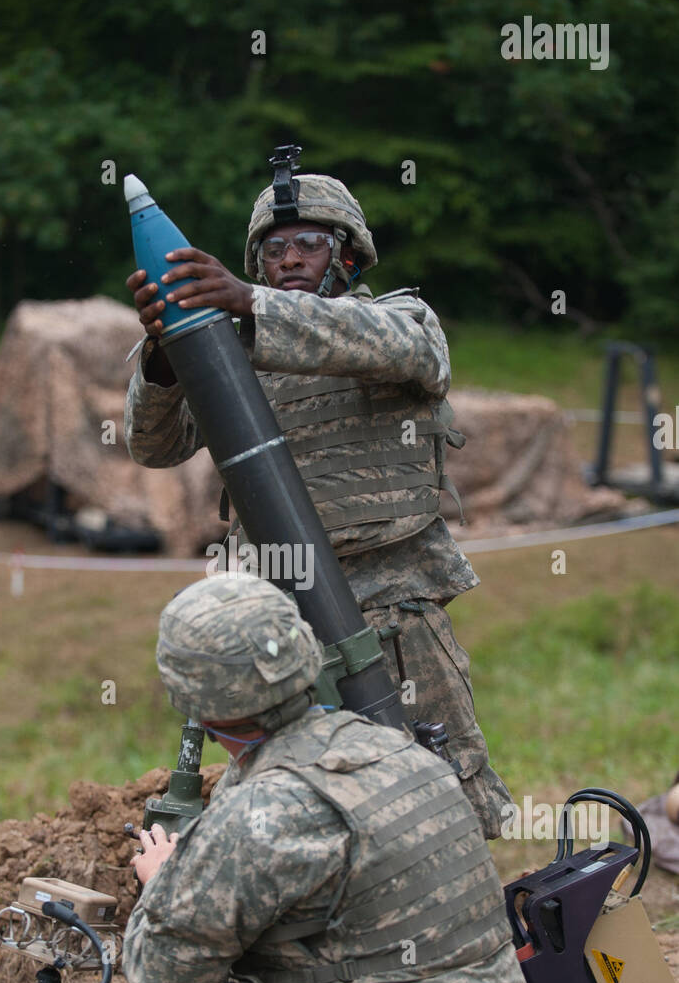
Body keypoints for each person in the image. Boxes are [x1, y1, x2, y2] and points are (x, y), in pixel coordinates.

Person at [83, 575, 535, 983]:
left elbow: (161, 971)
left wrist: (163, 881)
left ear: (192, 695)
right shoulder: (397, 750)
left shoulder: (266, 809)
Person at [123, 162, 511, 839]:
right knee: (294, 787)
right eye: (274, 250)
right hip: (278, 613)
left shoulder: (395, 318)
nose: (289, 258)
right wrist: (162, 357)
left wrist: (249, 304)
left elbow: (401, 349)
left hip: (389, 603)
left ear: (348, 254)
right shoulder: (230, 350)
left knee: (441, 779)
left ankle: (467, 924)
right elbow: (154, 447)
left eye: (309, 243)